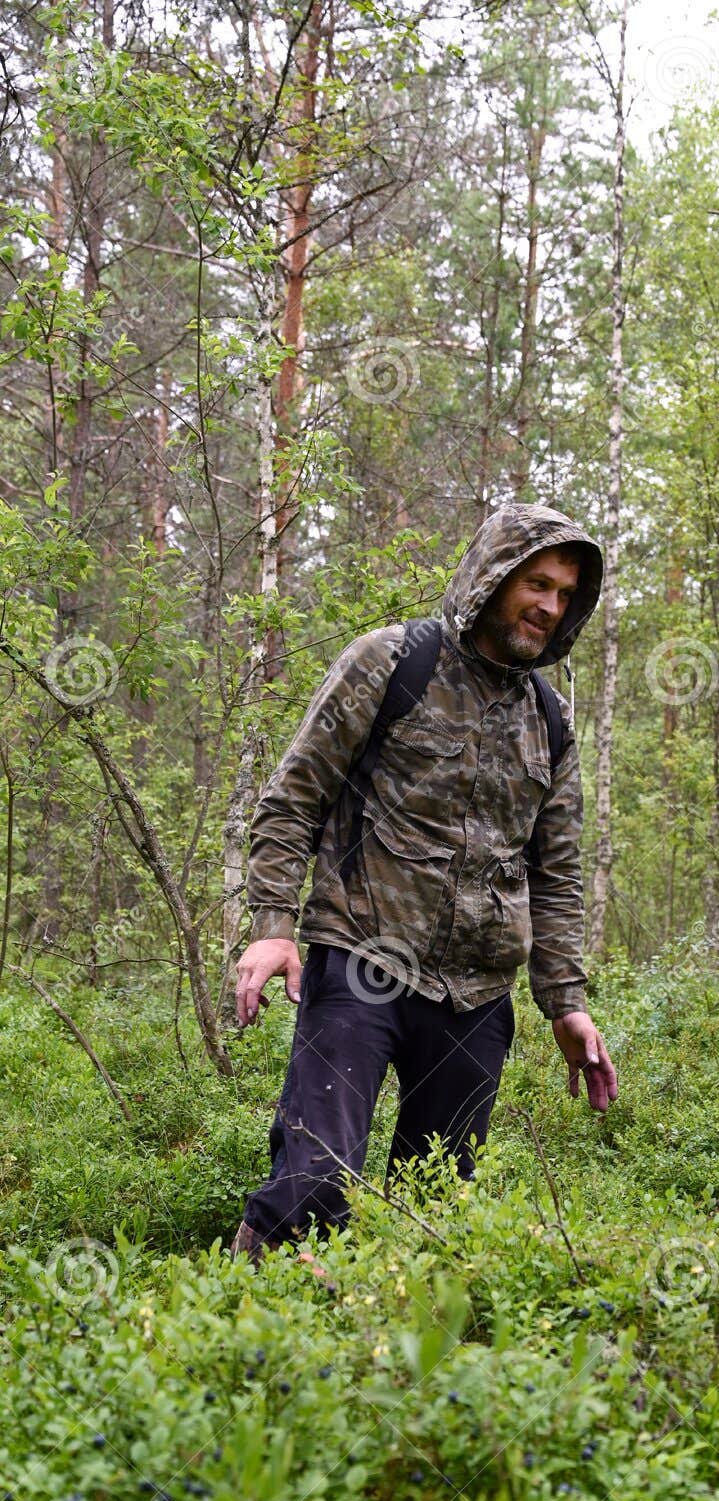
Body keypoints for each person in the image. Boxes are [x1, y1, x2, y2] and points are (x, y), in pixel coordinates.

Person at [229, 502, 618, 1275]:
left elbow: (558, 873)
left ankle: (393, 1368)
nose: (547, 605)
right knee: (312, 1183)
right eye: (535, 583)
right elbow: (293, 796)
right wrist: (273, 924)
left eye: (564, 595)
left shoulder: (551, 719)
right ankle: (242, 1333)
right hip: (361, 964)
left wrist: (565, 1002)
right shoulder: (390, 661)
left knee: (434, 1208)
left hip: (476, 997)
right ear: (493, 575)